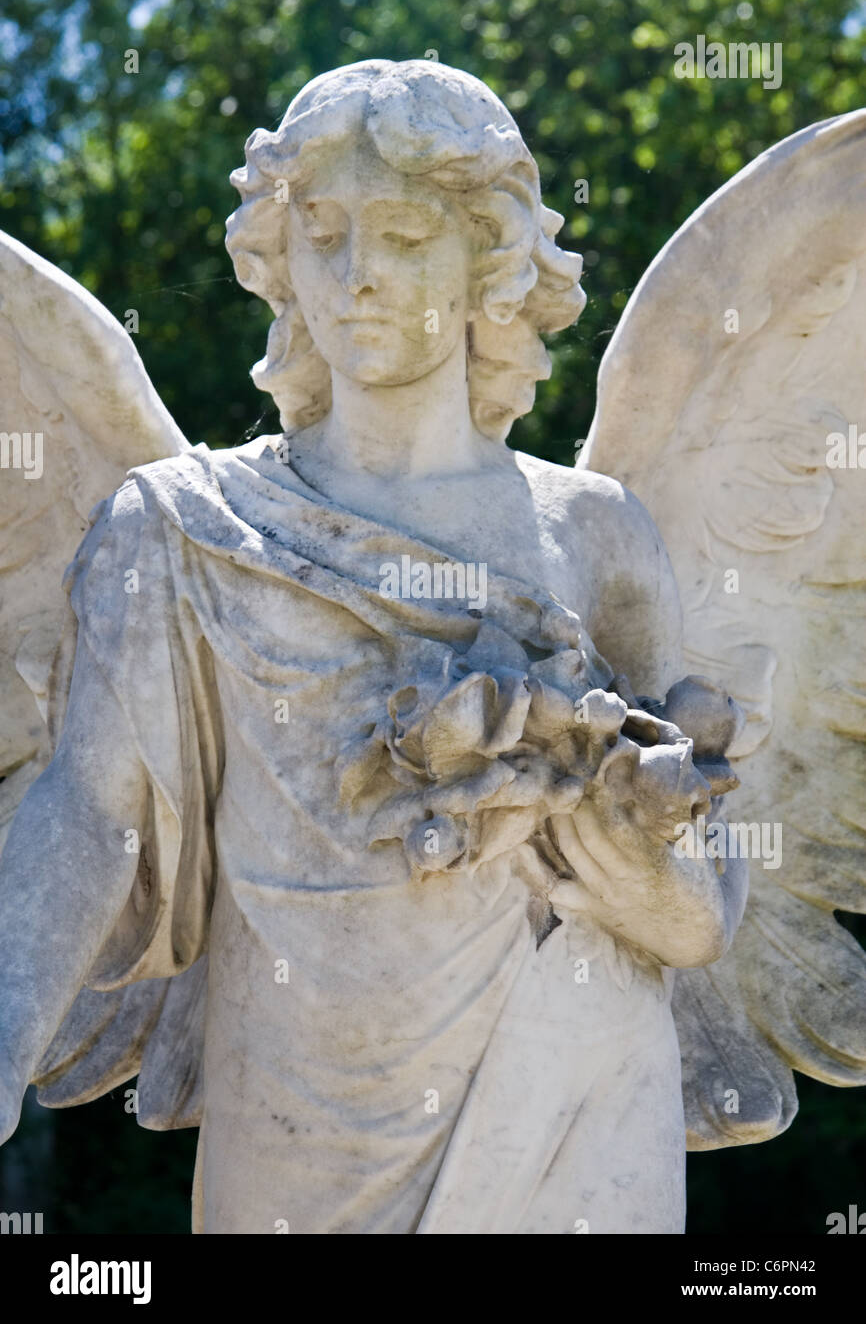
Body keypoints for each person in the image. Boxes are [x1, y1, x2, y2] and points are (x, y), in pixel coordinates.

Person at [0, 60, 746, 1233]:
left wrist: (640, 863)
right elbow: (96, 813)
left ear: (487, 262)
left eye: (403, 234)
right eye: (324, 233)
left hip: (566, 1078)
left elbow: (698, 908)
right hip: (291, 1115)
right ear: (278, 257)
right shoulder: (184, 527)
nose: (357, 276)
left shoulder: (594, 533)